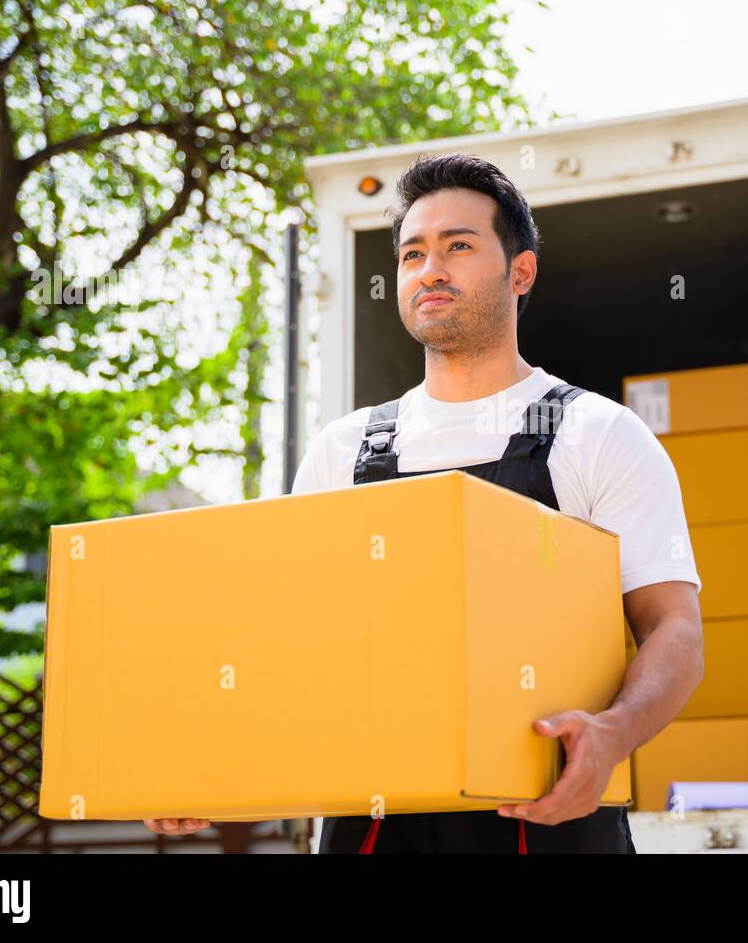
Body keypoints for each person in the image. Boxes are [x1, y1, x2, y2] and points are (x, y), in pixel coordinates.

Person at [146, 152, 704, 853]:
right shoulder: (342, 450)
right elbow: (286, 646)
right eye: (413, 254)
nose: (430, 269)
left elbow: (676, 632)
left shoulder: (600, 434)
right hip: (372, 825)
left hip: (546, 819)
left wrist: (613, 732)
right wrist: (206, 763)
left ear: (520, 271)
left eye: (458, 247)